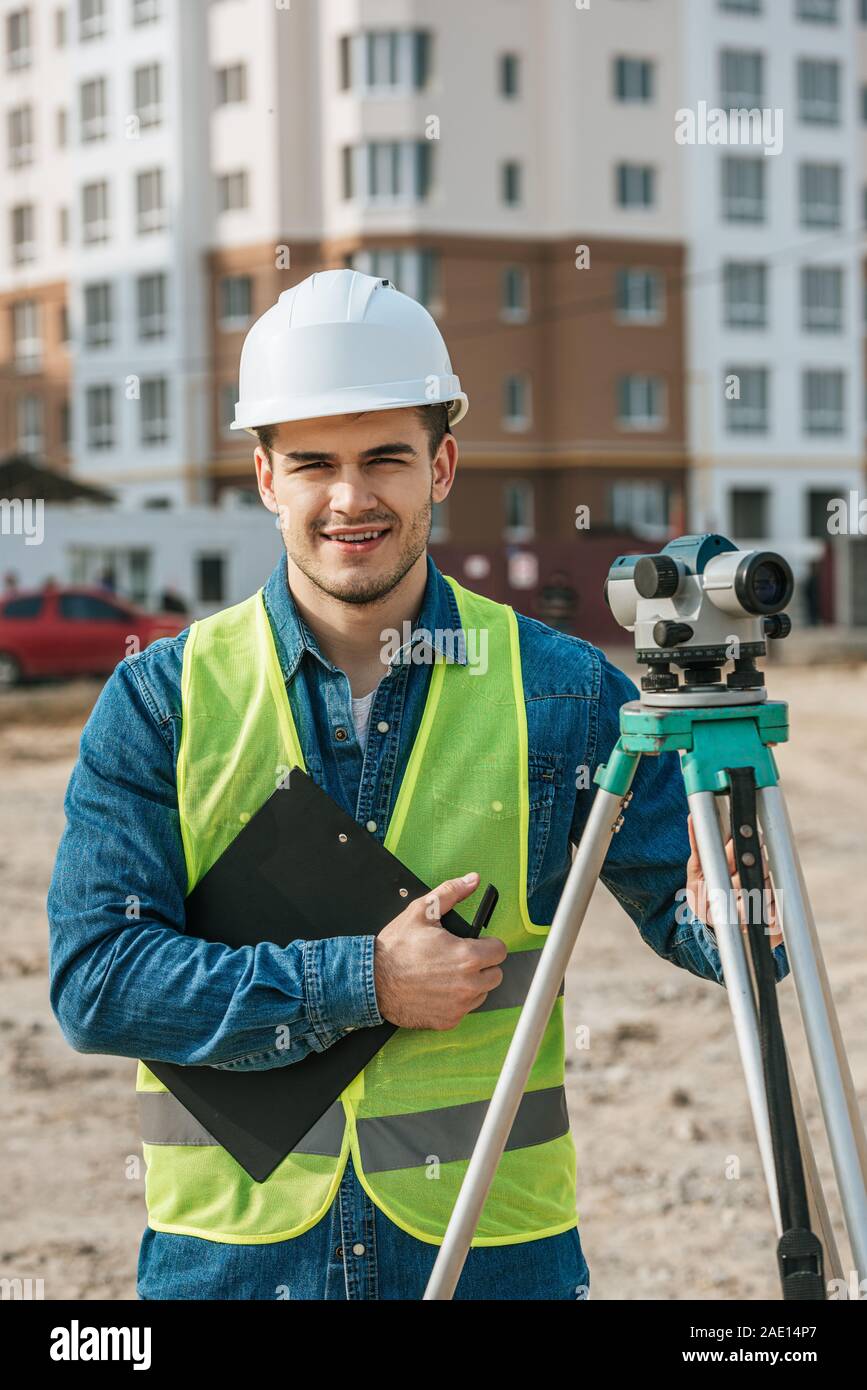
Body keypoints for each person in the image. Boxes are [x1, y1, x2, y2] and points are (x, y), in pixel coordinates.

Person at [47, 269, 789, 1302]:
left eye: (384, 458)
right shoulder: (160, 701)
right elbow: (95, 980)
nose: (351, 497)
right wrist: (365, 983)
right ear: (265, 478)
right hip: (237, 1267)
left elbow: (701, 922)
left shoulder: (561, 688)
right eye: (314, 463)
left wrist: (742, 902)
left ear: (440, 465)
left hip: (493, 1253)